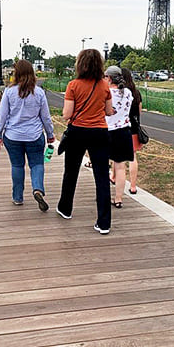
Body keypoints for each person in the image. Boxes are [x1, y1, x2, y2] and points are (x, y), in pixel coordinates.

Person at [57, 49, 114, 235]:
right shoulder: (104, 85)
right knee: (101, 177)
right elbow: (108, 111)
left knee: (71, 172)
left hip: (77, 132)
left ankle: (65, 208)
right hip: (99, 132)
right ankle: (104, 222)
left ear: (80, 64)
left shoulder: (73, 85)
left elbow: (66, 114)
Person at [0, 59, 55, 212]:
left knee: (17, 165)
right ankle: (38, 189)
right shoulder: (39, 92)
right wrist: (50, 134)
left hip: (12, 136)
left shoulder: (9, 91)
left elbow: (2, 116)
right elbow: (46, 117)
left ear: (16, 73)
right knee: (37, 164)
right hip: (34, 135)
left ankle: (17, 197)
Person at [104, 65, 134, 207]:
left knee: (103, 165)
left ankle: (103, 194)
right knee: (120, 167)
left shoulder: (106, 92)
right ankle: (119, 198)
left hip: (107, 130)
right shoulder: (127, 92)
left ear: (109, 78)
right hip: (124, 130)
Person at [111, 68, 143, 194]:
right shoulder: (135, 92)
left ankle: (113, 177)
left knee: (117, 158)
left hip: (120, 126)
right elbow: (139, 111)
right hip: (133, 127)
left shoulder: (117, 92)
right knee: (133, 157)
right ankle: (133, 186)